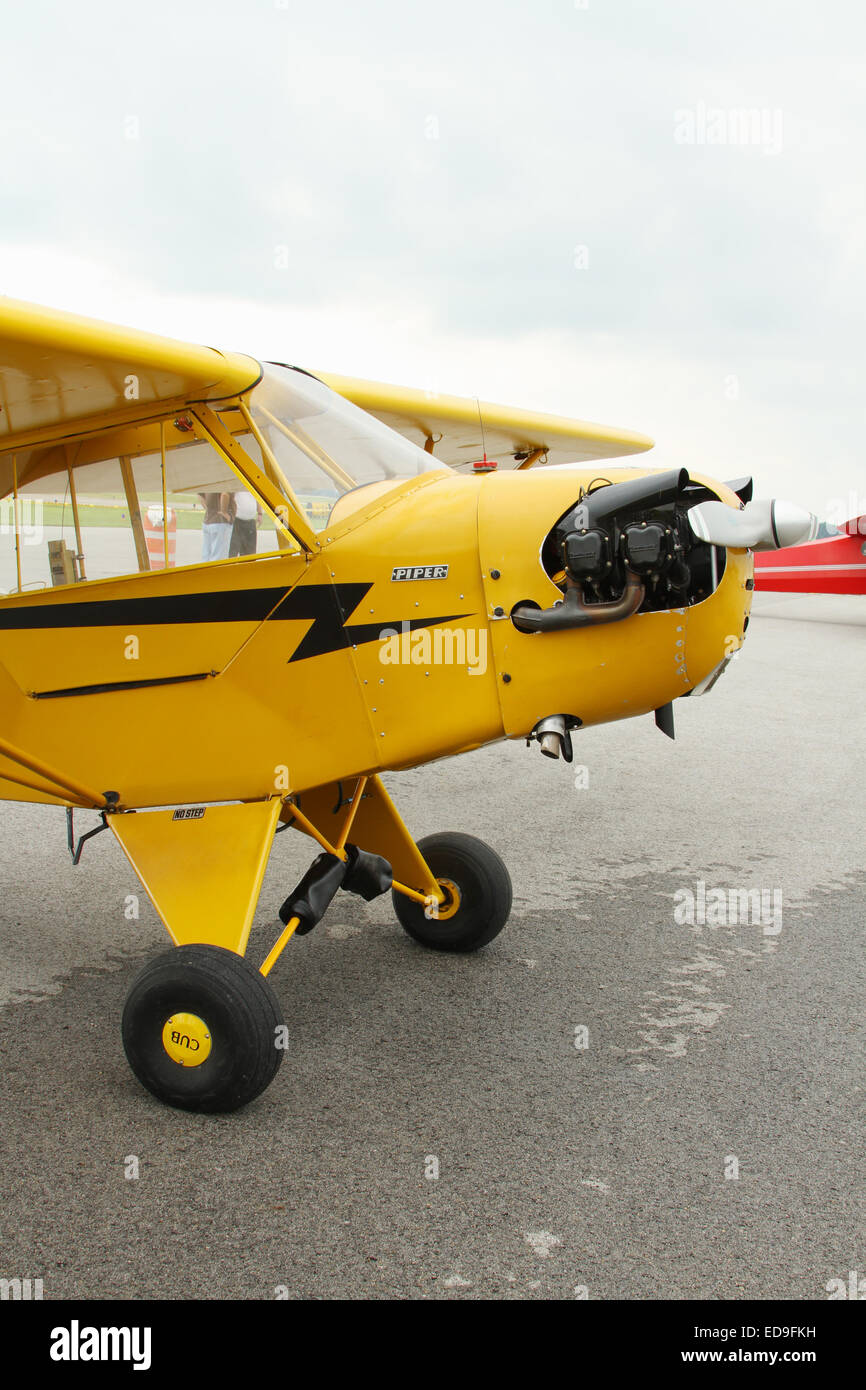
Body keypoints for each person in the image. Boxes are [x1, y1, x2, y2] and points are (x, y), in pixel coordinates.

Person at [199, 492, 233, 561]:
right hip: (220, 522)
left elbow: (200, 495)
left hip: (208, 520)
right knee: (218, 556)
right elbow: (224, 494)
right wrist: (224, 512)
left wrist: (208, 510)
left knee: (206, 555)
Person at [229, 489, 262, 557]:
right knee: (233, 551)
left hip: (250, 522)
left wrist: (260, 513)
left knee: (250, 553)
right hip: (237, 521)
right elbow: (229, 496)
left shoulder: (253, 484)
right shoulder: (238, 483)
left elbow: (257, 498)